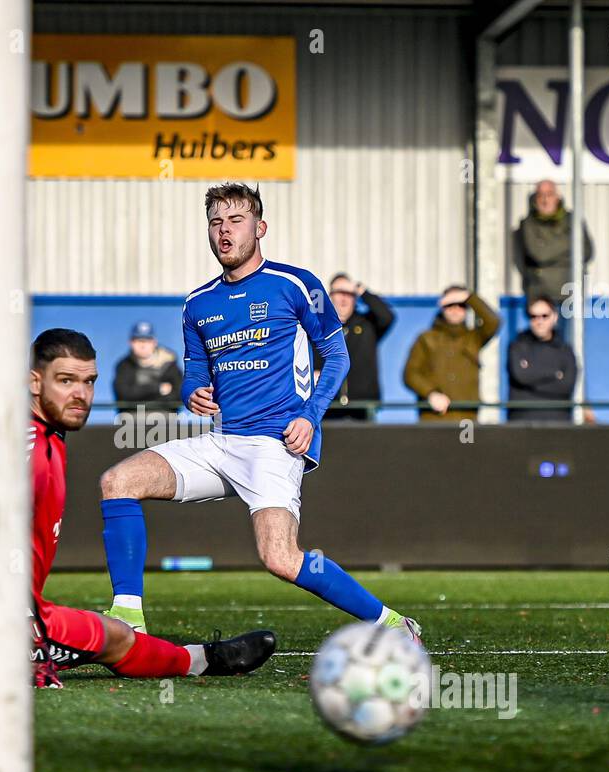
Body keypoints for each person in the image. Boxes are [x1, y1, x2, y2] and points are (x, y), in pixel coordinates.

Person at [0, 329, 277, 687]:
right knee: (116, 636)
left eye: (88, 382)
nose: (81, 395)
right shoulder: (31, 455)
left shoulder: (32, 431)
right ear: (35, 382)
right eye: (66, 381)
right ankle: (207, 660)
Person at [96, 182, 421, 640]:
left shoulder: (296, 284)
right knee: (117, 481)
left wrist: (310, 416)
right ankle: (127, 618)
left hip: (274, 444)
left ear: (260, 227)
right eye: (215, 222)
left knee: (280, 559)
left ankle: (392, 623)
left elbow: (339, 356)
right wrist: (193, 394)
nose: (224, 231)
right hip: (221, 442)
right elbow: (193, 374)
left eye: (235, 220)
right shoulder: (197, 304)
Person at [403, 285, 501, 422]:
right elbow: (410, 374)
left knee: (467, 443)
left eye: (461, 305)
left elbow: (493, 322)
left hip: (467, 418)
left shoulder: (473, 338)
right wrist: (431, 393)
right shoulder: (426, 339)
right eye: (450, 305)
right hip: (433, 417)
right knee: (433, 444)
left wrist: (470, 297)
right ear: (442, 307)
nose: (455, 310)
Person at [316, 272, 395, 420]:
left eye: (349, 293)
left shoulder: (367, 325)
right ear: (329, 297)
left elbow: (387, 316)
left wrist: (361, 289)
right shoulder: (318, 328)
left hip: (363, 406)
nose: (344, 299)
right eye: (339, 293)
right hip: (328, 406)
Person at [513, 179, 594, 313]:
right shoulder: (527, 224)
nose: (545, 200)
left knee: (570, 334)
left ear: (557, 197)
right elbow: (540, 255)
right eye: (541, 195)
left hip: (570, 293)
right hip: (539, 295)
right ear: (535, 199)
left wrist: (549, 249)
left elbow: (586, 252)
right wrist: (570, 243)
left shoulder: (573, 220)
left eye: (549, 194)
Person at [506, 297, 576, 422]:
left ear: (554, 317)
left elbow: (566, 386)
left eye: (544, 316)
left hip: (558, 424)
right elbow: (521, 376)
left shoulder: (565, 350)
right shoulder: (517, 346)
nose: (539, 321)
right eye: (534, 316)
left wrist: (530, 381)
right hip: (522, 424)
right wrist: (555, 374)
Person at [112, 321, 183, 413]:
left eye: (147, 340)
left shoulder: (169, 364)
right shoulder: (123, 366)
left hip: (165, 417)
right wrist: (158, 388)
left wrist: (139, 394)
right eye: (138, 340)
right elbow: (124, 395)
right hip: (131, 419)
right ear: (131, 342)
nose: (143, 345)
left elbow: (179, 396)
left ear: (154, 342)